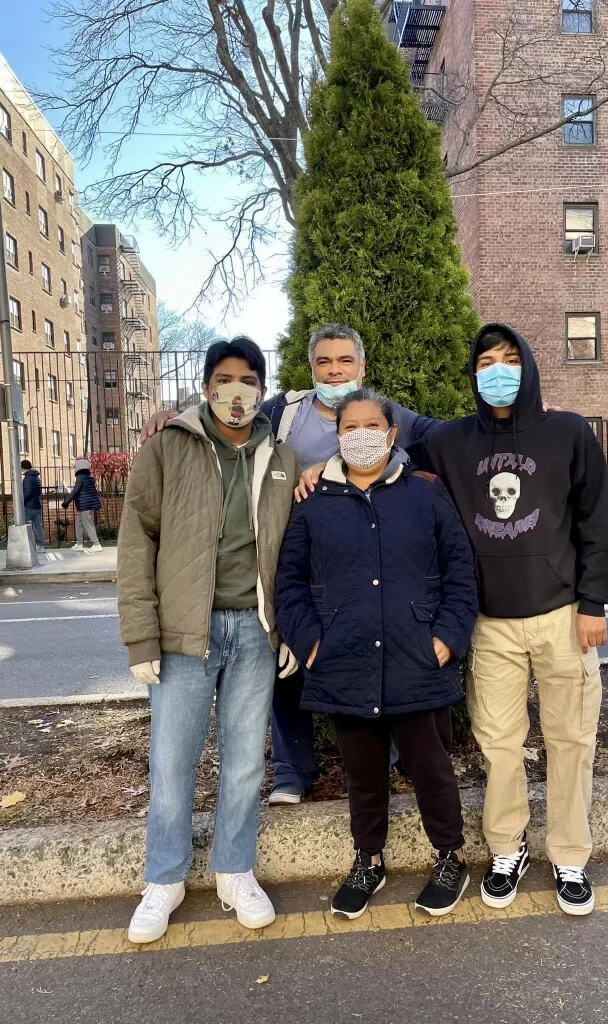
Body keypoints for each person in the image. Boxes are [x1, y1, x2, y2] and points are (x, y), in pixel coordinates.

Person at [140, 324, 440, 807]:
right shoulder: (285, 411)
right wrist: (169, 413)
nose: (335, 370)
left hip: (357, 562)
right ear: (312, 368)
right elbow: (229, 414)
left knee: (372, 655)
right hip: (290, 560)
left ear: (361, 368)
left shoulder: (381, 412)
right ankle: (291, 771)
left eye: (345, 362)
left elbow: (440, 435)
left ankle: (381, 763)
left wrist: (527, 420)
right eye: (324, 362)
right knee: (287, 668)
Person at [410, 323, 608, 917]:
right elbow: (378, 429)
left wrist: (594, 603)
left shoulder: (568, 432)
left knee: (570, 741)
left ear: (528, 365)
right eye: (485, 362)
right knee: (499, 745)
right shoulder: (451, 441)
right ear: (473, 375)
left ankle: (570, 855)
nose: (498, 370)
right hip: (489, 622)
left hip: (562, 617)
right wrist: (312, 465)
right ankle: (507, 849)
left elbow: (594, 519)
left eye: (509, 359)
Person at [117, 336, 299, 945]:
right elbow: (137, 544)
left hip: (254, 629)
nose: (236, 391)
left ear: (263, 389)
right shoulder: (168, 448)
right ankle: (163, 880)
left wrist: (291, 627)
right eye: (225, 379)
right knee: (172, 762)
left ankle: (234, 870)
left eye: (248, 379)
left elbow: (298, 550)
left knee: (246, 763)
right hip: (183, 632)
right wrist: (141, 638)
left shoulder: (282, 456)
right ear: (205, 387)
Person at [275, 389, 478, 919]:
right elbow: (290, 583)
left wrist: (447, 638)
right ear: (338, 436)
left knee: (430, 767)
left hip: (417, 659)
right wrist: (311, 642)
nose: (361, 435)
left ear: (391, 435)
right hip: (344, 660)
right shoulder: (314, 503)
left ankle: (449, 856)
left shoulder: (426, 494)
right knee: (363, 773)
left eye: (373, 426)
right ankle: (368, 858)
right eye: (350, 426)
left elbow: (461, 574)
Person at [62, 458, 103, 551]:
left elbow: (74, 491)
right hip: (86, 505)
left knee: (88, 524)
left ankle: (96, 544)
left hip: (85, 506)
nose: (75, 469)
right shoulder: (89, 478)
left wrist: (66, 502)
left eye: (75, 467)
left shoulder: (80, 478)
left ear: (79, 467)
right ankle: (79, 543)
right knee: (79, 523)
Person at [21, 460, 45, 551]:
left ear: (23, 468)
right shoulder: (36, 478)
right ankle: (41, 546)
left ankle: (28, 545)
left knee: (22, 525)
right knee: (38, 527)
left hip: (29, 506)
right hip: (37, 506)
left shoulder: (27, 479)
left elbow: (27, 493)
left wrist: (22, 503)